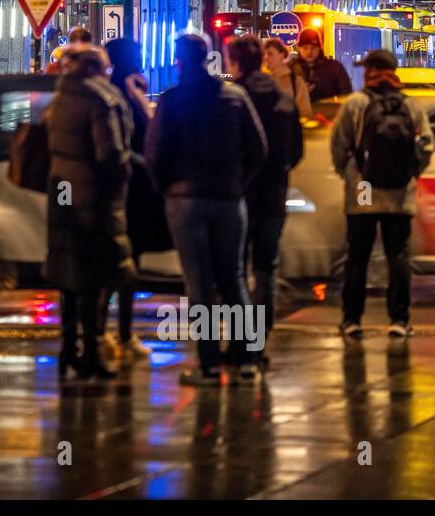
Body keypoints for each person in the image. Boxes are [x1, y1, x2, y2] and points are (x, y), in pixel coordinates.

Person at [146, 34, 267, 386]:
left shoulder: (171, 101)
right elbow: (259, 148)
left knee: (199, 283)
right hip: (229, 199)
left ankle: (209, 365)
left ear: (178, 61)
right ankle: (247, 361)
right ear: (209, 58)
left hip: (186, 200)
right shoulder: (234, 96)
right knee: (234, 280)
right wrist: (238, 182)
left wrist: (167, 189)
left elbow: (155, 155)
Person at [44, 44, 135, 380]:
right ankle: (91, 355)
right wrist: (131, 168)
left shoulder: (60, 99)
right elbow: (110, 153)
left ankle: (68, 349)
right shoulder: (102, 101)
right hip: (94, 201)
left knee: (68, 276)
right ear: (99, 70)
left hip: (62, 197)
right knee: (94, 280)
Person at [329, 48, 431, 339]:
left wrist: (349, 173)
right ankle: (399, 319)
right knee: (397, 255)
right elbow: (426, 144)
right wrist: (412, 172)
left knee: (357, 255)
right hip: (399, 192)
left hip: (363, 189)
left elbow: (339, 145)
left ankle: (352, 320)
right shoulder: (410, 106)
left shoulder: (356, 104)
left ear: (370, 72)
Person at [227, 36, 303, 353]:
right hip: (273, 192)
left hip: (238, 193)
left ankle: (240, 338)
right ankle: (262, 329)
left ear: (234, 62)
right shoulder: (281, 98)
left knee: (235, 267)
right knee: (265, 265)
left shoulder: (232, 97)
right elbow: (296, 151)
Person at [104, 37, 167, 360]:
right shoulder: (124, 93)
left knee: (109, 263)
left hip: (119, 189)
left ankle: (102, 333)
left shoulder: (112, 91)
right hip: (130, 190)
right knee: (126, 264)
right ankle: (120, 333)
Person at [293, 27, 351, 102]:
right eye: (305, 48)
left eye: (313, 48)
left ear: (320, 48)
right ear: (298, 48)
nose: (309, 52)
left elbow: (346, 93)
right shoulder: (292, 68)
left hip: (329, 111)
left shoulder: (334, 67)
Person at [262, 37, 312, 118]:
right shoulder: (260, 81)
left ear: (281, 55)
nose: (266, 57)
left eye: (270, 54)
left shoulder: (295, 81)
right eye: (264, 54)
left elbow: (305, 112)